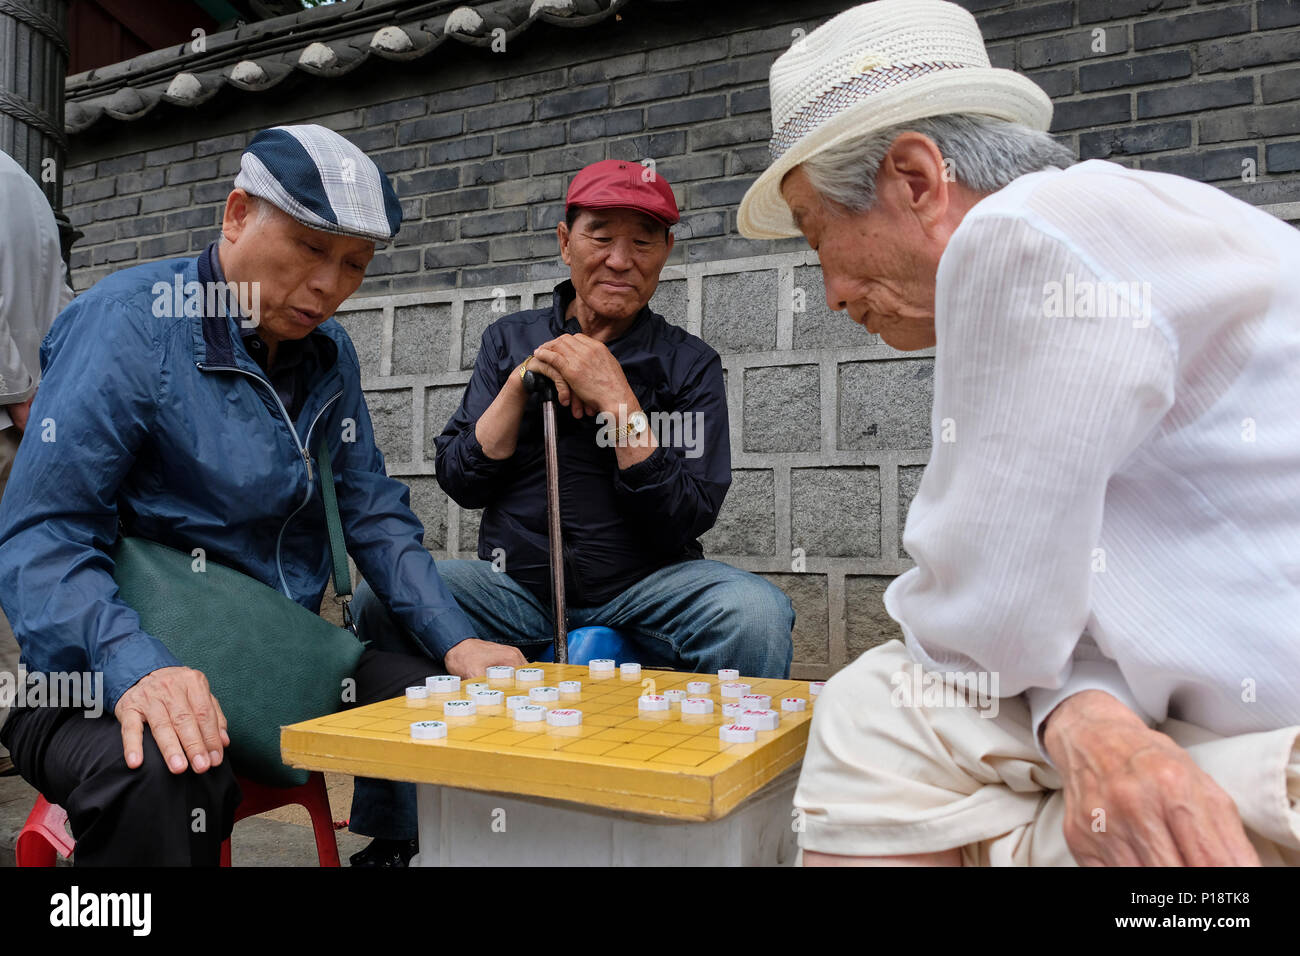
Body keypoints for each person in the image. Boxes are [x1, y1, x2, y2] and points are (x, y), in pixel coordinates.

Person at [737, 0, 1300, 866]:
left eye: (818, 235)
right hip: (1245, 716)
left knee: (873, 712)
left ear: (917, 181)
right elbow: (1046, 611)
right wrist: (1084, 710)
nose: (833, 290)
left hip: (1271, 741)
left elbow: (978, 625)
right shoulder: (1154, 216)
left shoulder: (1023, 235)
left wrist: (1071, 702)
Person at [0, 124, 481, 866]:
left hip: (275, 657)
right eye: (310, 249)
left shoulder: (330, 354)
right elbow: (43, 536)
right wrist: (138, 665)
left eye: (355, 264)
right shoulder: (129, 321)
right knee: (167, 773)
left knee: (475, 714)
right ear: (235, 215)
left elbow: (372, 511)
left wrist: (459, 641)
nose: (329, 286)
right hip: (89, 670)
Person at [346, 160, 796, 858]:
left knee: (754, 613)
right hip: (516, 589)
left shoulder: (689, 364)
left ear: (665, 255)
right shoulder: (509, 339)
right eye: (600, 237)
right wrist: (522, 387)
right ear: (565, 241)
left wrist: (617, 398)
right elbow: (462, 478)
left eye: (643, 242)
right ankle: (401, 831)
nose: (621, 259)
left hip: (649, 586)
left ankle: (720, 828)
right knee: (386, 599)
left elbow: (690, 512)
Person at [0, 151, 74, 777]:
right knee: (22, 574)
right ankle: (19, 729)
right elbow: (63, 302)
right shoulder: (23, 182)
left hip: (11, 406)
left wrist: (19, 389)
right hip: (31, 416)